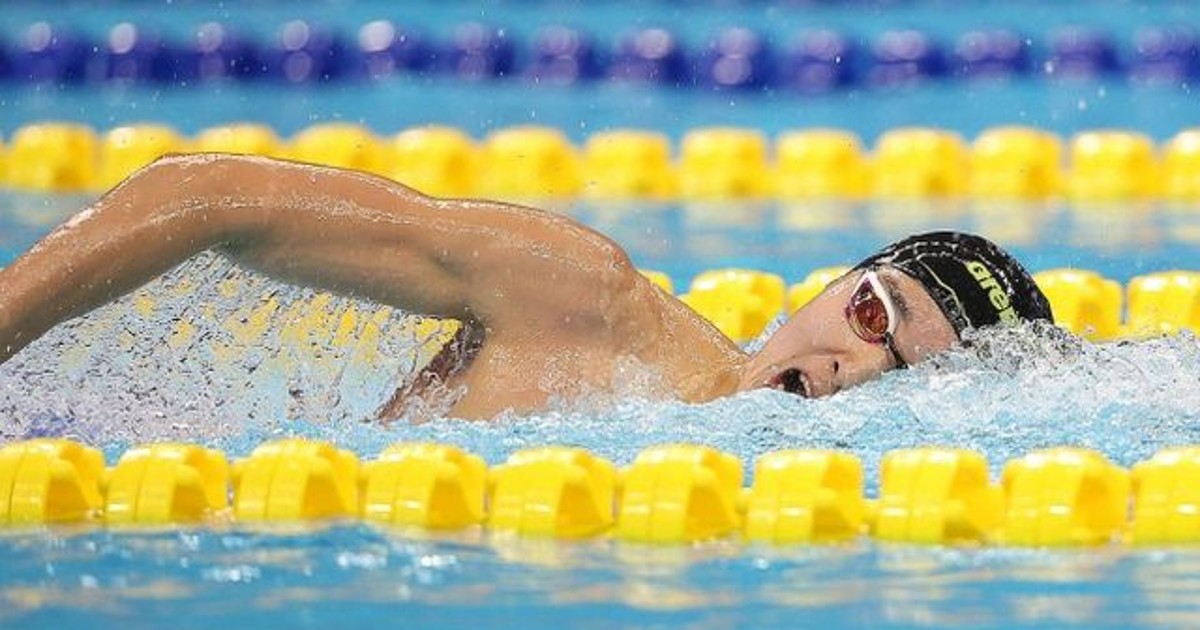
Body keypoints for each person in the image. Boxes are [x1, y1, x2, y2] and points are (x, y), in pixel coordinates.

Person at [0, 153, 1053, 420]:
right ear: (832, 288)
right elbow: (204, 193)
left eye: (905, 378)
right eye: (873, 316)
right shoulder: (584, 307)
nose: (853, 369)